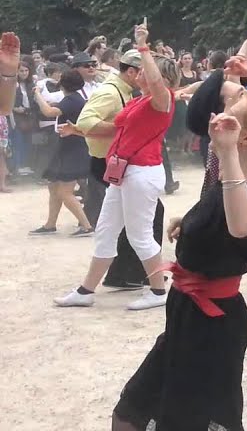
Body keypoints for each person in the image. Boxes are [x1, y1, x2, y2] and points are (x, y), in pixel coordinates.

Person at [109, 92, 247, 430]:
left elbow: (240, 225)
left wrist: (229, 152)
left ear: (246, 139)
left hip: (212, 325)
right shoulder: (225, 177)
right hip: (187, 313)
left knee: (186, 420)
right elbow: (219, 210)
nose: (220, 119)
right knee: (132, 409)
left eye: (231, 119)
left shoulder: (245, 187)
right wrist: (188, 225)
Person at [55, 22, 176, 311]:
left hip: (140, 172)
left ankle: (158, 292)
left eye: (146, 69)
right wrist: (79, 130)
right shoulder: (144, 99)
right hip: (127, 172)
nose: (141, 72)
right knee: (106, 230)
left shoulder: (162, 98)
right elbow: (119, 130)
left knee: (139, 235)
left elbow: (157, 84)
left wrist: (144, 45)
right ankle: (86, 290)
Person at [29, 69, 93, 236]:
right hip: (68, 148)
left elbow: (49, 112)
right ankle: (50, 224)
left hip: (72, 150)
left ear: (64, 84)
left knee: (64, 191)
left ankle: (86, 226)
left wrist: (37, 95)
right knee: (54, 186)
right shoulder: (75, 98)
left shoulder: (72, 99)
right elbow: (56, 108)